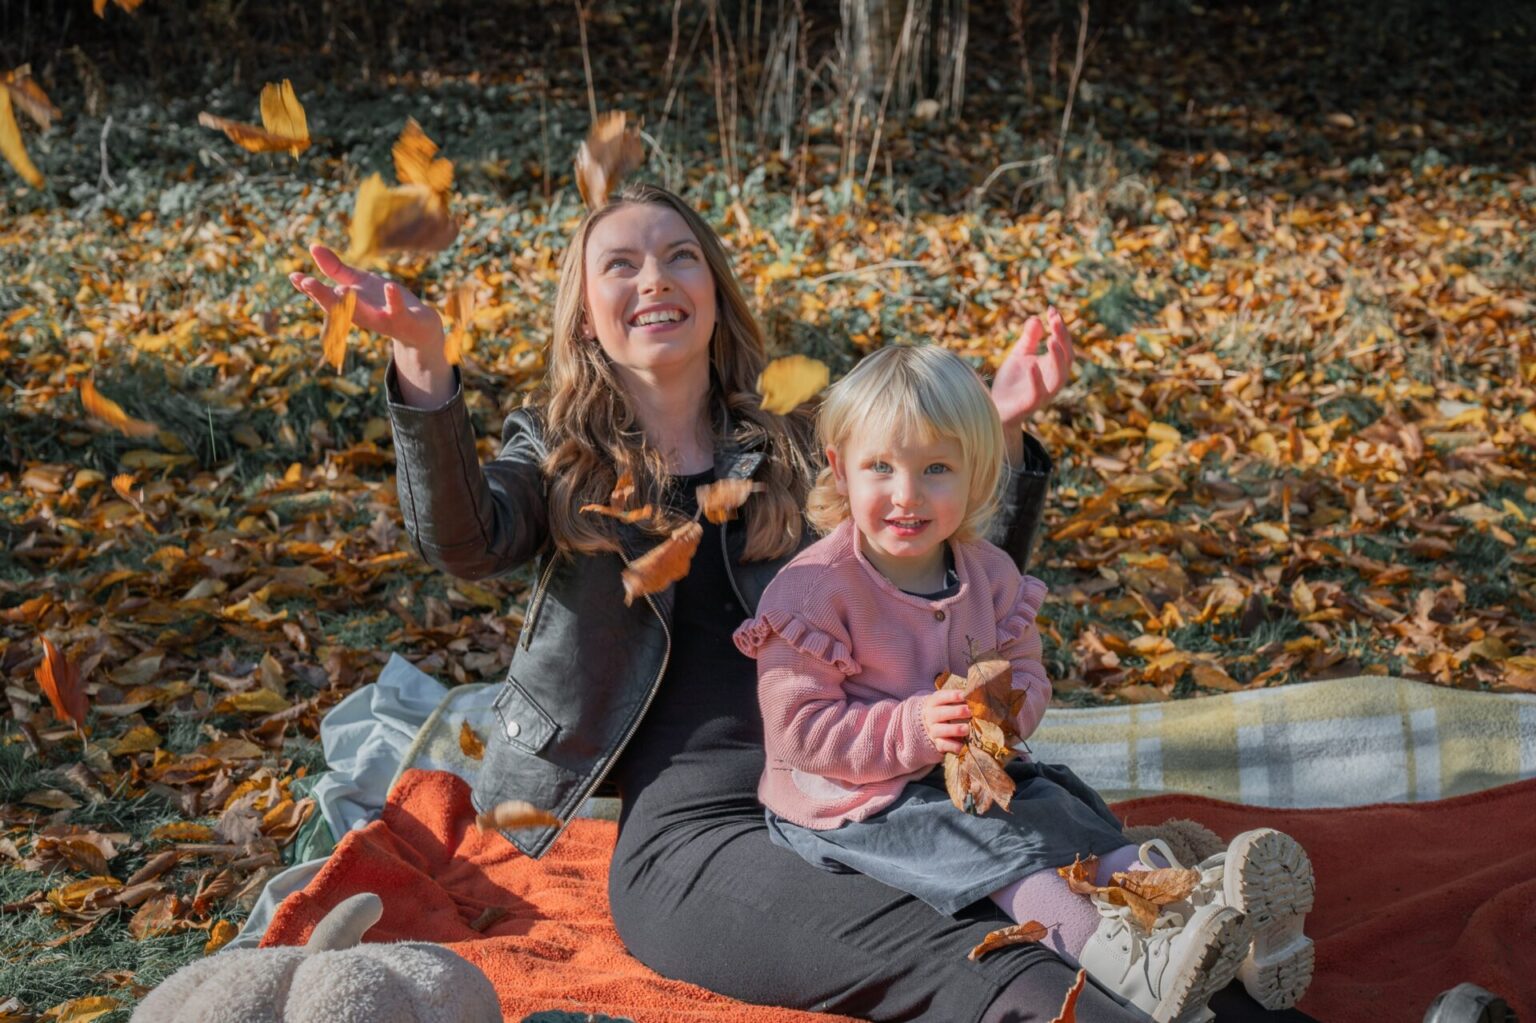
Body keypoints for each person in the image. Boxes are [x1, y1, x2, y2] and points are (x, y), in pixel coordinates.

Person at [289, 180, 1317, 1023]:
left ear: (716, 290)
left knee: (1110, 903)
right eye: (622, 262)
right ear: (587, 312)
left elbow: (950, 587)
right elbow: (464, 540)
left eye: (680, 255)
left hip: (884, 784)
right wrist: (424, 367)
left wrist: (983, 434)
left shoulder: (792, 447)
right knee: (972, 948)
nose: (657, 277)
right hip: (703, 837)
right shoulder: (558, 462)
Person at [734, 344, 1314, 1022]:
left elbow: (1028, 672)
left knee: (1071, 815)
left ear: (976, 473)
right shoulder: (814, 591)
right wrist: (915, 726)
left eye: (937, 468)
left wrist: (1005, 713)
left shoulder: (989, 574)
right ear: (840, 467)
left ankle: (1206, 925)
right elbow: (801, 732)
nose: (907, 494)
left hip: (969, 770)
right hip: (853, 801)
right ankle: (1130, 963)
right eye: (881, 467)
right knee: (1007, 854)